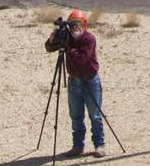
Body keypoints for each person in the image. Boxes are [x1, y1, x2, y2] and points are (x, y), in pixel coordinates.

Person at [44, 8, 105, 158]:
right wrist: (53, 40)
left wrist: (68, 48)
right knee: (76, 116)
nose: (75, 28)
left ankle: (99, 145)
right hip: (74, 82)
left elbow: (82, 58)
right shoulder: (67, 38)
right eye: (73, 25)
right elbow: (49, 48)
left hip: (90, 81)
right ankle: (78, 146)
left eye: (78, 24)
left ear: (84, 25)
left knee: (95, 115)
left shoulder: (89, 39)